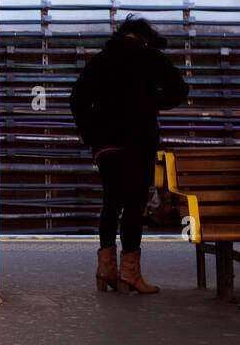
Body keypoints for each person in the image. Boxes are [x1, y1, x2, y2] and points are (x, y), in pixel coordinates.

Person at [70, 16, 188, 294]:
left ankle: (106, 270)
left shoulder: (101, 59)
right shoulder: (151, 57)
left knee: (111, 202)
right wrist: (150, 103)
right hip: (139, 140)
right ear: (144, 37)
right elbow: (180, 91)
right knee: (135, 205)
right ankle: (130, 275)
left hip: (106, 143)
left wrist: (92, 135)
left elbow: (77, 99)